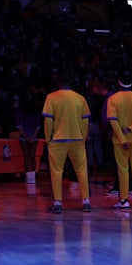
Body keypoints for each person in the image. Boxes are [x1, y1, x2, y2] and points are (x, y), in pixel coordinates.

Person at [42, 76, 93, 214]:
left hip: (58, 140)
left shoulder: (51, 97)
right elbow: (85, 120)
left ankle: (57, 202)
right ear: (71, 82)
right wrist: (83, 137)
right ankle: (86, 201)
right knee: (81, 170)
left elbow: (48, 120)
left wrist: (48, 138)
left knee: (56, 171)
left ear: (58, 82)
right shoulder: (80, 98)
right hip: (77, 139)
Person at [105, 77, 132, 210]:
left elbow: (113, 121)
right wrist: (131, 128)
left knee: (123, 170)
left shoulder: (113, 99)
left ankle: (124, 200)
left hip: (120, 141)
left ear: (119, 83)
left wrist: (123, 139)